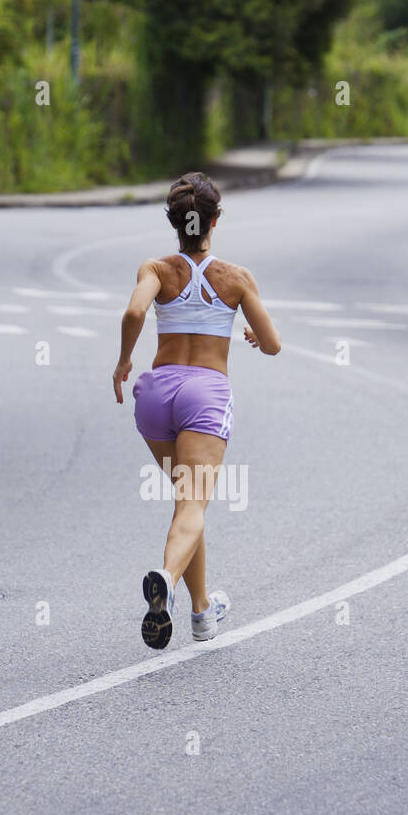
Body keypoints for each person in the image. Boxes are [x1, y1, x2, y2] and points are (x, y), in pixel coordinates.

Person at [112, 172, 281, 649]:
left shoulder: (156, 269)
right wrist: (249, 334)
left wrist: (125, 361)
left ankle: (202, 613)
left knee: (189, 504)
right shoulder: (236, 278)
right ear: (215, 220)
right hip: (204, 395)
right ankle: (165, 578)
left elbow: (133, 314)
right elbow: (272, 345)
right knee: (192, 505)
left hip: (156, 395)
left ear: (174, 222)